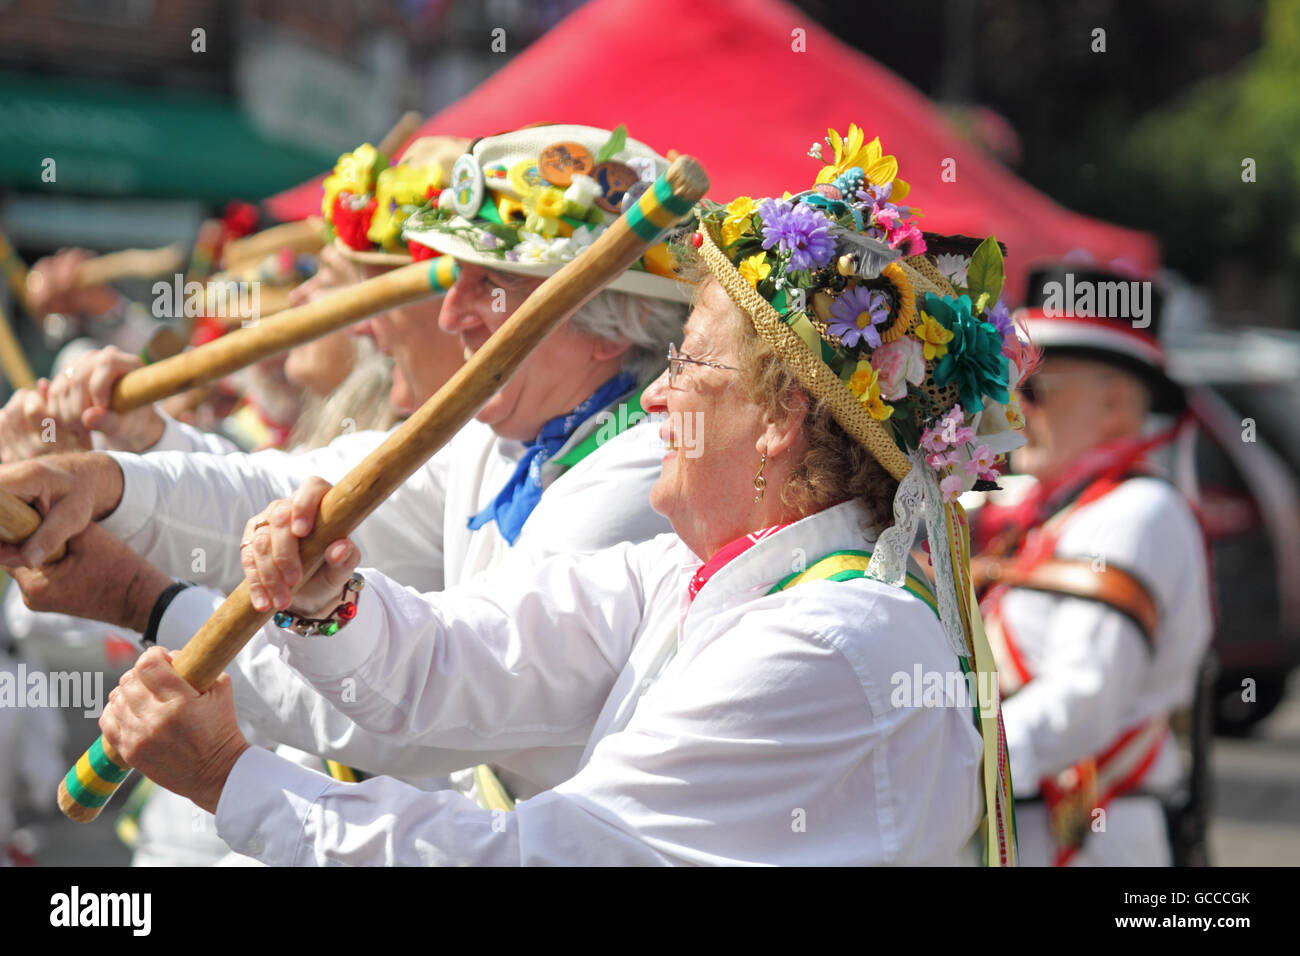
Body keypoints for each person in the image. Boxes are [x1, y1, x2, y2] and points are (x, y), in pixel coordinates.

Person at [89, 125, 1025, 865]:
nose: (657, 395)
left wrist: (229, 781)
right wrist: (326, 603)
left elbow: (531, 859)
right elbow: (461, 663)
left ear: (780, 419)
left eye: (689, 361)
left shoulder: (828, 640)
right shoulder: (699, 575)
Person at [1, 123, 691, 804]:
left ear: (604, 330)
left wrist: (140, 599)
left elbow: (432, 706)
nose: (451, 315)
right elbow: (283, 493)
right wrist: (105, 483)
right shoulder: (510, 433)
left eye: (488, 286)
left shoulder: (646, 477)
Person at [970, 263, 1212, 866]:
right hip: (1019, 821)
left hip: (1090, 841)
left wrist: (942, 765)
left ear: (1114, 404)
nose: (1012, 408)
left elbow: (1082, 702)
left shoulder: (1140, 512)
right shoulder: (1033, 507)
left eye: (1034, 390)